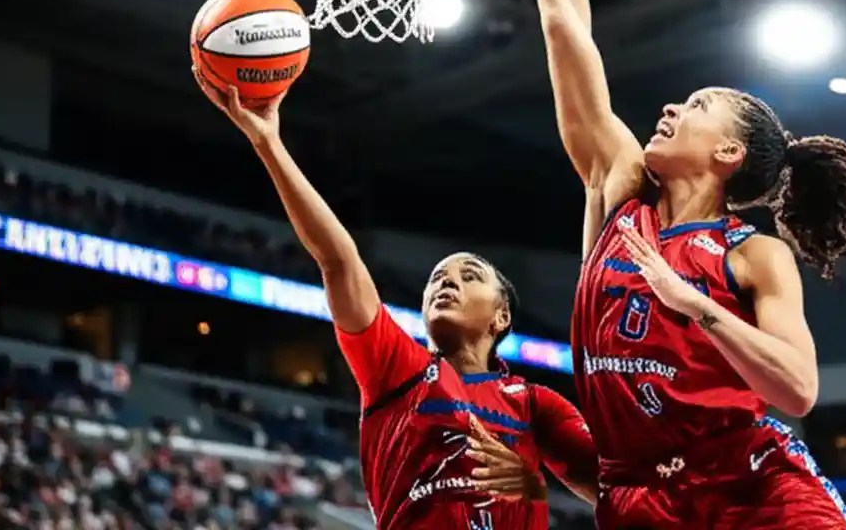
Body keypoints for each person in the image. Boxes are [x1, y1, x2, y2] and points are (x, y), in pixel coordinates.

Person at [519, 0, 846, 528]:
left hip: (751, 483)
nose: (671, 106)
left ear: (728, 154)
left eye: (697, 104)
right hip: (636, 497)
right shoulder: (616, 187)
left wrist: (699, 309)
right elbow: (565, 23)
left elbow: (799, 388)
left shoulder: (756, 256)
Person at [192, 68, 597, 530]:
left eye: (469, 276)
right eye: (437, 277)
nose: (447, 282)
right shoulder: (397, 368)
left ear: (501, 315)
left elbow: (616, 489)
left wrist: (535, 488)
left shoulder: (534, 404)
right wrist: (269, 144)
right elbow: (339, 261)